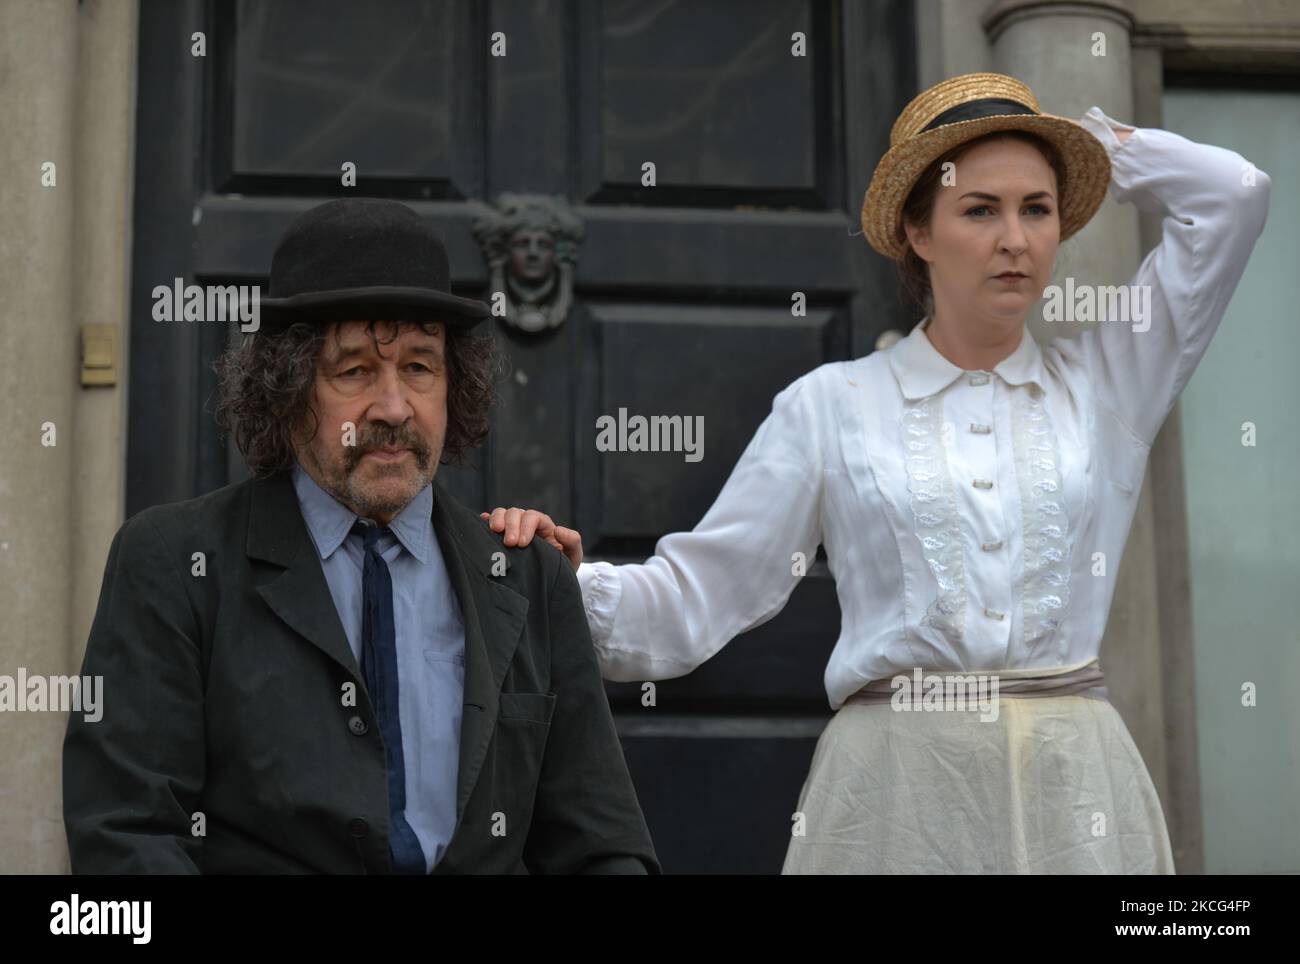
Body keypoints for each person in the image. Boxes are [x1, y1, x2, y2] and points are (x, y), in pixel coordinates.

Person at [483, 72, 1272, 873]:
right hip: (894, 803)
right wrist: (556, 583)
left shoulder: (1111, 383)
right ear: (917, 233)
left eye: (1038, 208)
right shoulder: (832, 406)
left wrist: (1086, 140)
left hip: (1077, 802)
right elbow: (698, 597)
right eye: (979, 208)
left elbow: (1234, 195)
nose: (1017, 239)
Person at [63, 197, 659, 875]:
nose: (393, 408)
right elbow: (126, 835)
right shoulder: (172, 562)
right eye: (353, 371)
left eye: (419, 367)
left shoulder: (529, 574)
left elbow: (602, 847)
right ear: (286, 391)